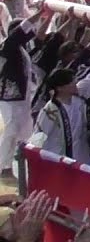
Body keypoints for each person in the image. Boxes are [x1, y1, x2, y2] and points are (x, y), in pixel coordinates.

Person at [0, 17, 38, 180]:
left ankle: (17, 165)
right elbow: (22, 30)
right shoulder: (8, 46)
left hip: (22, 97)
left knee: (24, 131)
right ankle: (3, 166)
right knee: (11, 131)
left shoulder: (20, 49)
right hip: (10, 97)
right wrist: (41, 12)